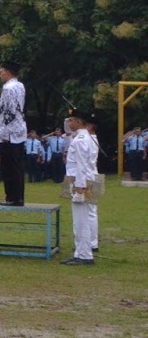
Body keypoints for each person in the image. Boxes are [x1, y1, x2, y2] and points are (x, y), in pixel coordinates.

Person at [62, 111, 101, 265]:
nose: (69, 123)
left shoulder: (80, 140)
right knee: (82, 218)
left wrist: (80, 187)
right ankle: (80, 252)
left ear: (79, 121)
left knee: (81, 220)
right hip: (83, 179)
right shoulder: (86, 137)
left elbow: (81, 165)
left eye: (71, 120)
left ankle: (84, 254)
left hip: (80, 181)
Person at [0, 61, 28, 206]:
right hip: (20, 130)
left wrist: (4, 134)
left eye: (1, 71)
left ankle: (12, 197)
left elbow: (9, 111)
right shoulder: (20, 86)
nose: (0, 74)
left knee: (8, 167)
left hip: (9, 132)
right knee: (18, 166)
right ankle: (19, 197)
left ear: (8, 72)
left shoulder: (8, 88)